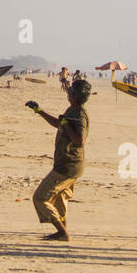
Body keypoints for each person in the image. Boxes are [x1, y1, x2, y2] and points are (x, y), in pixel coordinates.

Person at [28, 78, 92, 242]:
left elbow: (80, 141)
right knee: (60, 200)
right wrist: (39, 111)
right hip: (68, 164)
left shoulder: (81, 116)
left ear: (75, 95)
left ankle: (63, 232)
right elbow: (58, 124)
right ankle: (61, 232)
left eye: (71, 91)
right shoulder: (72, 109)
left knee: (40, 198)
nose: (68, 92)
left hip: (68, 166)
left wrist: (67, 125)